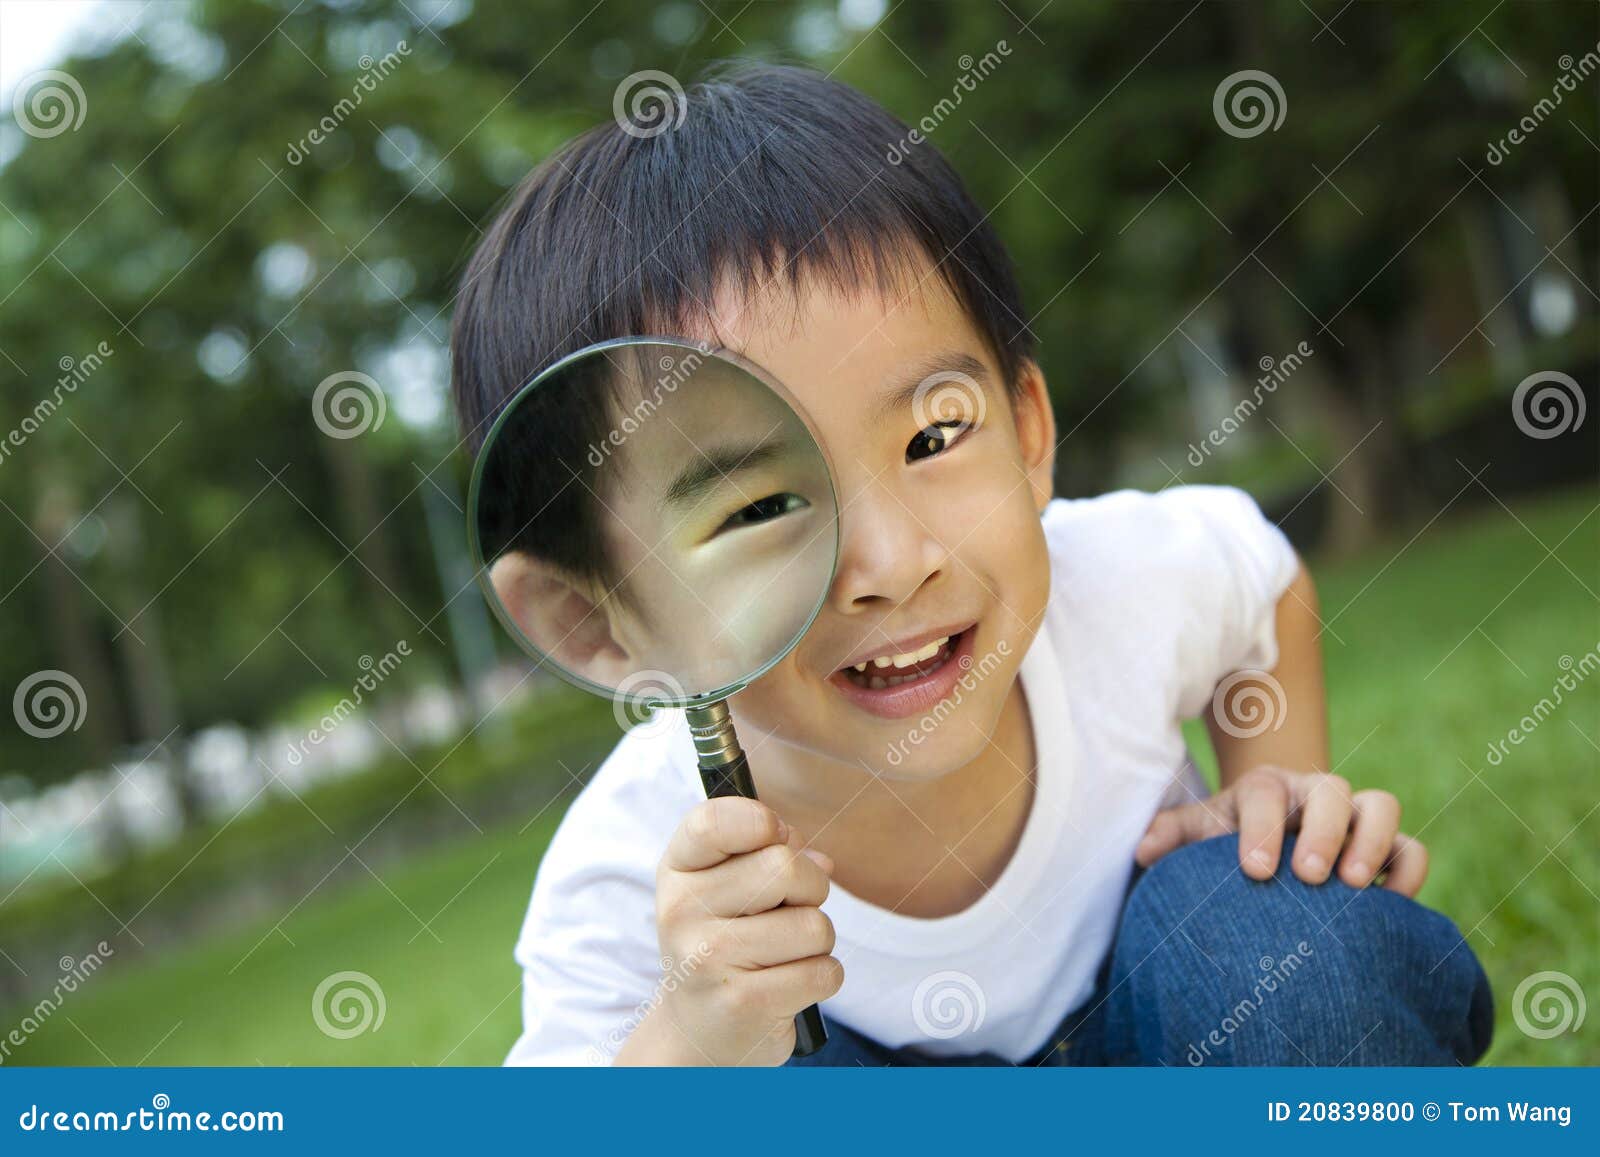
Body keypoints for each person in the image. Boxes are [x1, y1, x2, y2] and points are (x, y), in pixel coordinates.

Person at [449, 63, 1493, 1067]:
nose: (894, 564)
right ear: (596, 621)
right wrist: (688, 1040)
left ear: (1030, 432)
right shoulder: (623, 874)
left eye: (933, 439)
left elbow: (1259, 580)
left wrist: (1275, 789)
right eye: (761, 506)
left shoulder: (1123, 585)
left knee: (1277, 927)